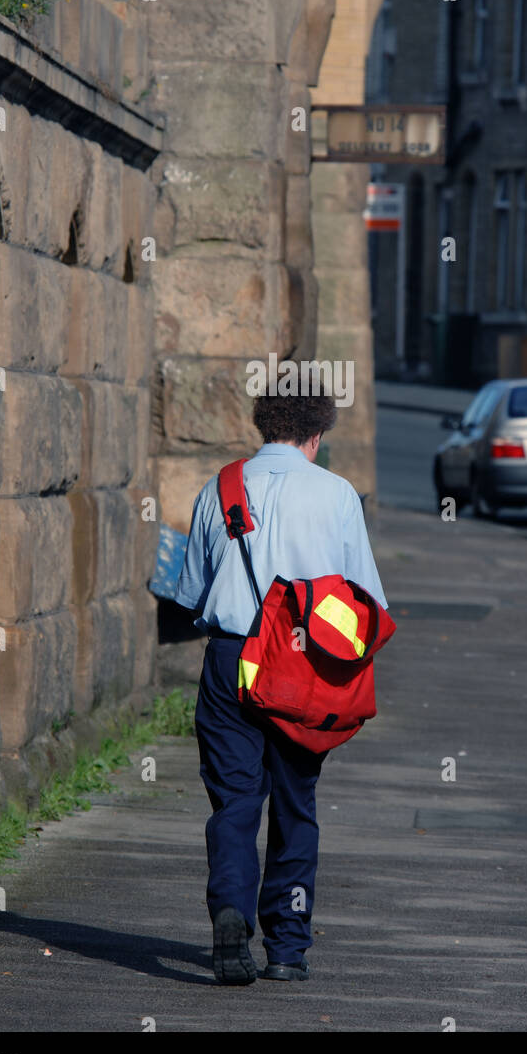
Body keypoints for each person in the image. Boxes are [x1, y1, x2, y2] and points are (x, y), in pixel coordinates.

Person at [175, 389, 388, 985]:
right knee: (296, 803)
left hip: (230, 657)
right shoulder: (337, 494)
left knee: (235, 800)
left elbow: (192, 592)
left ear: (261, 427)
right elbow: (367, 600)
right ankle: (288, 949)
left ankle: (229, 909)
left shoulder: (219, 489)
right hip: (302, 666)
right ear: (316, 437)